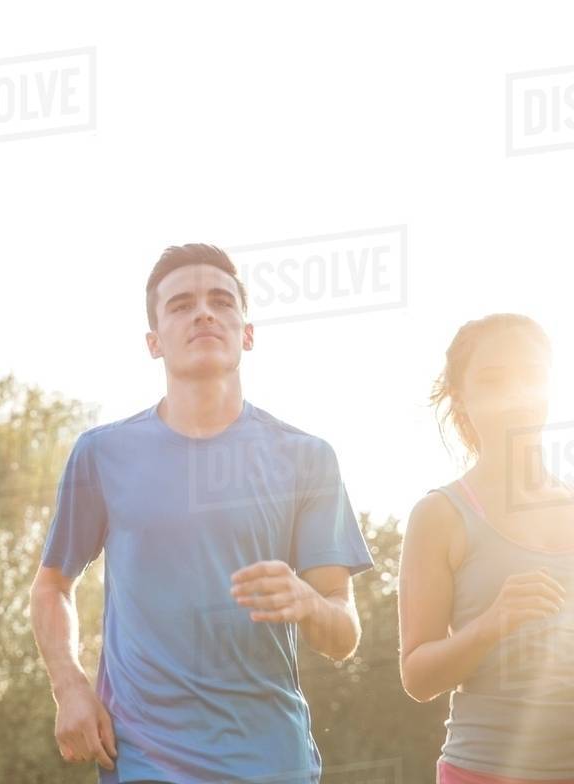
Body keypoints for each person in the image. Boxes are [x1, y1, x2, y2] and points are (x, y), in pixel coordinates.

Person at [29, 244, 374, 783]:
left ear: (248, 332)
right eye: (181, 305)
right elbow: (52, 586)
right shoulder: (101, 454)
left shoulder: (308, 458)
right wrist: (69, 684)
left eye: (221, 301)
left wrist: (307, 601)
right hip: (145, 758)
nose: (204, 313)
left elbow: (342, 634)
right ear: (153, 342)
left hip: (272, 760)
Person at [400, 314, 574, 783]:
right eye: (494, 380)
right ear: (462, 398)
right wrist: (491, 625)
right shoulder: (440, 515)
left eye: (531, 376)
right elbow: (417, 677)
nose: (516, 393)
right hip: (484, 772)